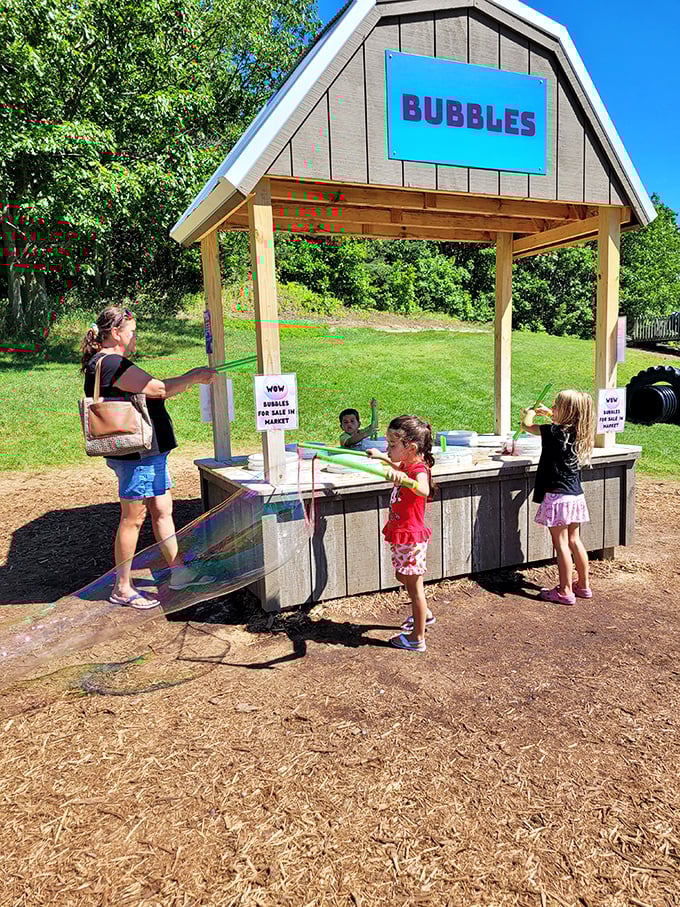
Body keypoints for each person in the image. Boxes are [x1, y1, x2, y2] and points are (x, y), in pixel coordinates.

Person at [80, 305, 218, 610]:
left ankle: (179, 571)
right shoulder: (112, 362)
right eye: (131, 331)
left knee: (162, 508)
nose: (135, 336)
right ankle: (123, 587)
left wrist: (186, 379)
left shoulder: (106, 362)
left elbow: (153, 387)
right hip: (138, 455)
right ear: (115, 333)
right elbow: (158, 389)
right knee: (134, 518)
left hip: (145, 454)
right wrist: (194, 376)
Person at [367, 415, 436, 652]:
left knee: (415, 589)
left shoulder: (418, 468)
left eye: (392, 445)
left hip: (411, 536)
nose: (389, 448)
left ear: (411, 447)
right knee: (401, 577)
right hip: (401, 533)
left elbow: (424, 489)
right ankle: (424, 615)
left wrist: (405, 480)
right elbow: (398, 465)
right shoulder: (407, 463)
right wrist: (382, 458)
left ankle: (417, 638)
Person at [521, 389, 595, 605]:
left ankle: (564, 590)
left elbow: (526, 427)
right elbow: (559, 420)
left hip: (557, 497)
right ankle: (583, 585)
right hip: (575, 495)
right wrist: (549, 413)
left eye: (556, 406)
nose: (552, 408)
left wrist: (529, 413)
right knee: (574, 540)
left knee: (561, 544)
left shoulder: (553, 432)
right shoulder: (578, 430)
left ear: (567, 411)